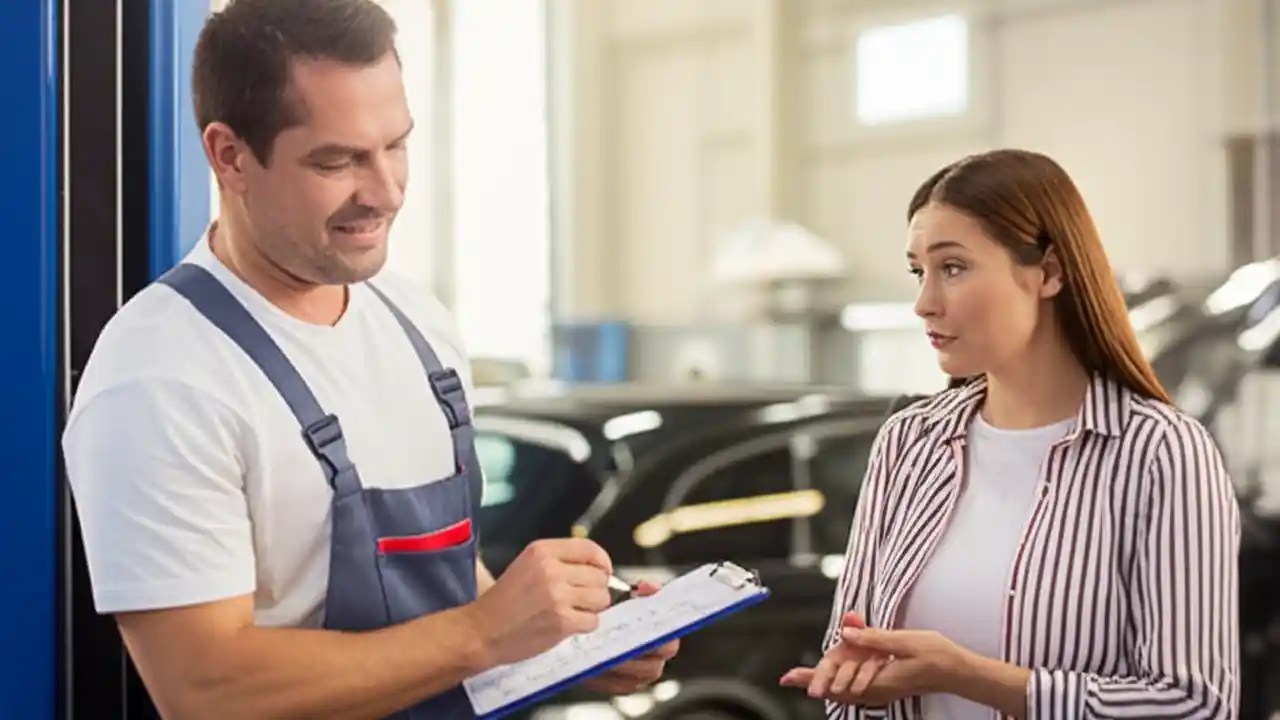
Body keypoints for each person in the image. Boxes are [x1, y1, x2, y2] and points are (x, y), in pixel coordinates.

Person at [60, 1, 676, 717]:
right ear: (229, 155)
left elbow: (445, 593)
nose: (384, 192)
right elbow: (205, 688)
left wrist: (562, 640)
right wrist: (484, 632)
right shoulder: (162, 376)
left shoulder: (418, 323)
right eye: (337, 160)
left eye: (396, 145)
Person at [780, 149, 1239, 718]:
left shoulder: (1159, 453)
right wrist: (848, 682)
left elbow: (1194, 705)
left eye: (953, 268)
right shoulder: (908, 443)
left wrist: (973, 676)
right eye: (919, 273)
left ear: (1048, 272)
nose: (925, 303)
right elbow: (848, 669)